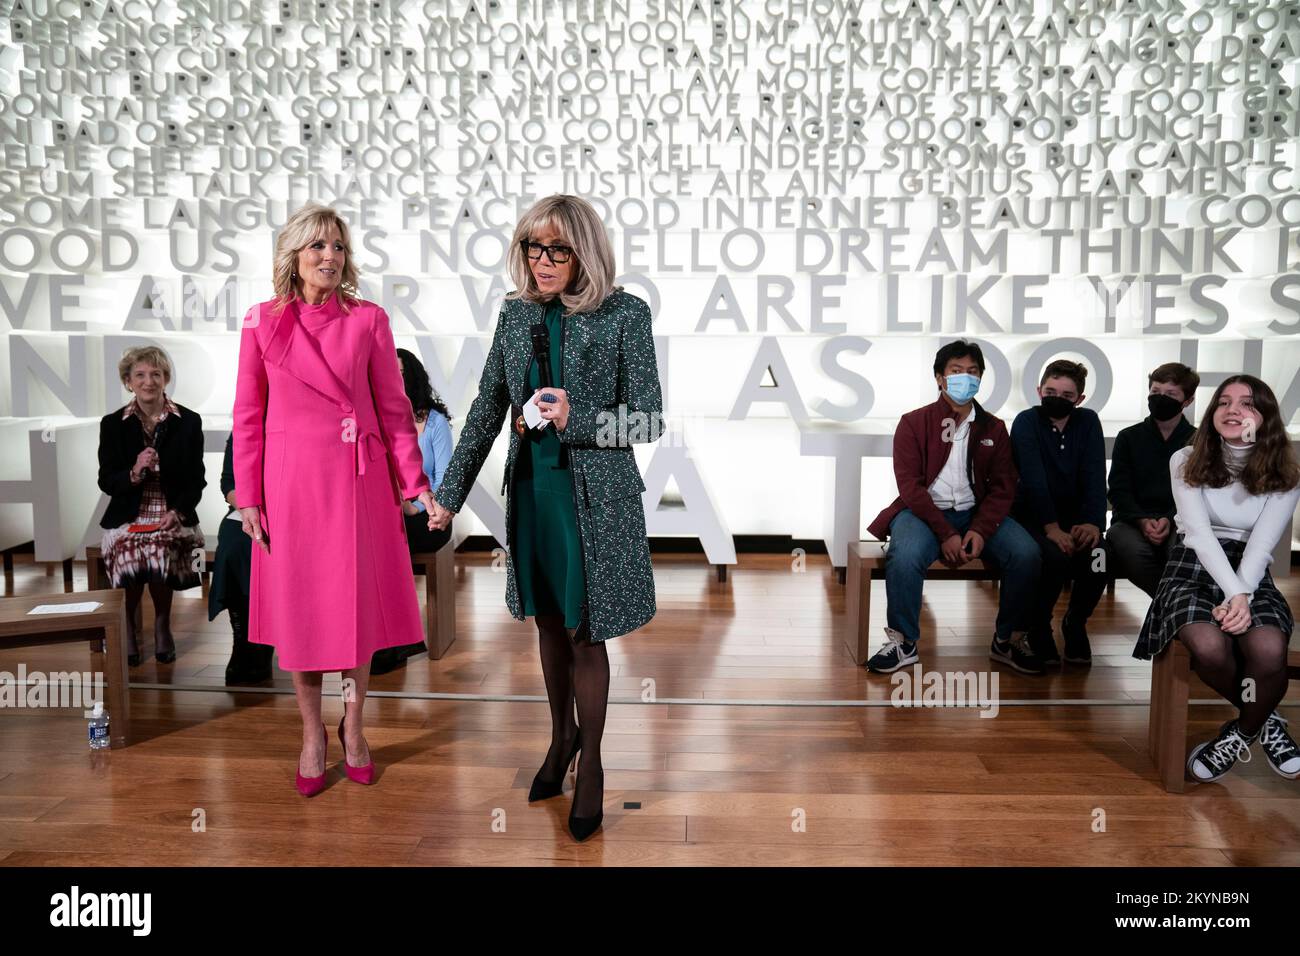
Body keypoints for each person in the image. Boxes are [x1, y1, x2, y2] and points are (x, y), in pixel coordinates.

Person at [427, 194, 664, 841]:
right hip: (533, 491)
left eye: (557, 248)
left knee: (587, 632)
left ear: (584, 250)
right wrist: (447, 493)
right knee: (550, 624)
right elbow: (485, 409)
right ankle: (561, 741)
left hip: (594, 500)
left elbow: (648, 418)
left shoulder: (625, 314)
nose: (543, 261)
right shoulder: (514, 315)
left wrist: (575, 419)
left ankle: (592, 767)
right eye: (534, 247)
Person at [232, 202, 438, 797]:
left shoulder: (368, 319)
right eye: (318, 245)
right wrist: (248, 494)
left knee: (352, 620)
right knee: (302, 615)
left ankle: (353, 725)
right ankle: (310, 733)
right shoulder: (260, 322)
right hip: (290, 486)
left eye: (339, 247)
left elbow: (396, 413)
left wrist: (415, 485)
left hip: (356, 484)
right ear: (294, 254)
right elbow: (248, 414)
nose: (330, 256)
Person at [1134, 375, 1300, 783]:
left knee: (1268, 646)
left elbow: (1262, 545)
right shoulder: (1185, 459)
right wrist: (1233, 593)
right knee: (1208, 645)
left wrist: (1240, 595)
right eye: (1224, 402)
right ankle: (1266, 719)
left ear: (1265, 417)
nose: (1233, 410)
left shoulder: (1286, 472)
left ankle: (1242, 731)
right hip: (1193, 564)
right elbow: (1199, 535)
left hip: (1249, 569)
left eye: (1246, 404)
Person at [865, 340, 1044, 675]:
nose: (966, 378)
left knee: (1027, 553)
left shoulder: (993, 427)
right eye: (956, 371)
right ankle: (903, 642)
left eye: (973, 372)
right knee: (903, 556)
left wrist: (981, 528)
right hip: (923, 514)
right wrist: (945, 533)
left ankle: (1007, 640)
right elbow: (910, 487)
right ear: (939, 378)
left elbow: (1004, 487)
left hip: (977, 515)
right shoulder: (914, 423)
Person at [97, 346, 206, 667]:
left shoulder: (188, 421)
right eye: (140, 375)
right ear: (128, 381)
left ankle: (161, 623)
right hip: (129, 514)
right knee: (127, 546)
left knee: (161, 544)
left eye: (156, 375)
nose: (148, 382)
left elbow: (196, 480)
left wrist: (178, 512)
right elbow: (107, 480)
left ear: (165, 379)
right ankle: (128, 627)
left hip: (172, 512)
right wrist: (133, 471)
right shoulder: (112, 424)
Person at [1010, 359, 1109, 666]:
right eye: (1051, 391)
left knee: (1100, 558)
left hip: (1077, 520)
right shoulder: (1026, 421)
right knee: (1052, 557)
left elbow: (1095, 474)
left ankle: (1075, 623)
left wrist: (1093, 523)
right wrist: (1051, 528)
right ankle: (1039, 627)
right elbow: (1032, 479)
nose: (1057, 397)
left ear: (1078, 400)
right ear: (1039, 390)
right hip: (1034, 519)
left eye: (1067, 395)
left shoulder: (1088, 421)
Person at [369, 348, 455, 676]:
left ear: (413, 376)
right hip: (388, 514)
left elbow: (446, 483)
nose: (395, 377)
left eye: (401, 371)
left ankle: (397, 639)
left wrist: (413, 505)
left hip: (429, 515)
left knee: (390, 543)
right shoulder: (373, 418)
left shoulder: (435, 423)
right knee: (376, 542)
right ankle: (387, 635)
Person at [1106, 363, 1199, 598]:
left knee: (1182, 552)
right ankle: (1172, 609)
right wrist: (1142, 521)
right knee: (1133, 552)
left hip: (1182, 521)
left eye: (1170, 394)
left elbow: (1198, 491)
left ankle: (1172, 613)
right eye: (1155, 392)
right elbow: (1118, 490)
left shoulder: (1198, 440)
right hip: (1130, 522)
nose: (1160, 398)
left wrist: (1168, 519)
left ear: (1187, 400)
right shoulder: (1129, 437)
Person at [209, 434, 273, 685]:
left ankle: (270, 633)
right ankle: (243, 636)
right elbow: (229, 484)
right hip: (248, 512)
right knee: (233, 546)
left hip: (293, 511)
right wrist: (249, 510)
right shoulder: (243, 432)